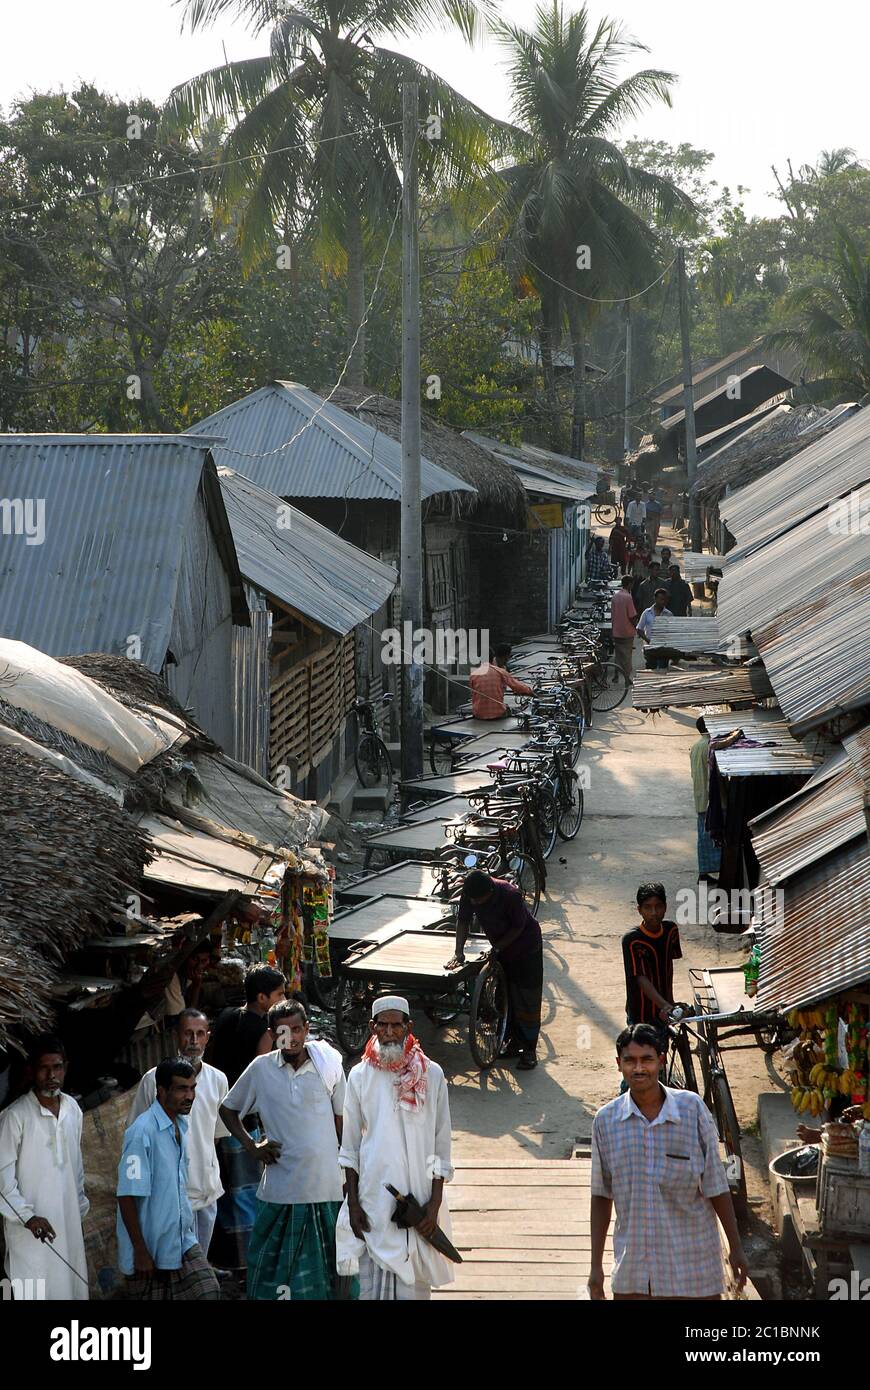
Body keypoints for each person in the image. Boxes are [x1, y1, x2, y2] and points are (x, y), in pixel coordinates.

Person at [588, 1023, 748, 1300]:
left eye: (647, 1060)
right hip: (634, 1271)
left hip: (693, 1270)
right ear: (619, 1064)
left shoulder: (692, 1109)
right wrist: (595, 1268)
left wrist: (735, 1247)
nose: (639, 1069)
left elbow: (715, 1183)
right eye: (630, 1061)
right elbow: (601, 1195)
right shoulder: (606, 1121)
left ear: (661, 1061)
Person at [220, 1001, 351, 1301]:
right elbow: (228, 1110)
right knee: (273, 1270)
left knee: (329, 1275)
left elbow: (342, 1121)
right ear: (271, 1033)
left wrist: (351, 1175)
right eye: (282, 1031)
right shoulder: (261, 1069)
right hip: (281, 1189)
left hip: (325, 1186)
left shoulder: (328, 1067)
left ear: (307, 1029)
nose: (290, 1037)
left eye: (296, 1029)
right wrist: (252, 1146)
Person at [336, 996, 454, 1300]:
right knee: (372, 1280)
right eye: (383, 1025)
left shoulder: (432, 1074)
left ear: (408, 1027)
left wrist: (434, 1203)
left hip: (420, 1196)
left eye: (396, 1025)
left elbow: (442, 1143)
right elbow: (350, 1144)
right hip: (374, 1194)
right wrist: (352, 1203)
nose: (389, 1032)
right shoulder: (360, 1076)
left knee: (414, 1283)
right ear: (372, 1027)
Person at [127, 1009, 228, 1259]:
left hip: (205, 1188)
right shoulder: (153, 1080)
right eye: (188, 1034)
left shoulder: (218, 1080)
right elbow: (137, 1139)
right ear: (176, 1036)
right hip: (165, 1195)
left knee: (197, 1262)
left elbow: (214, 1137)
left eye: (199, 1034)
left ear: (207, 1037)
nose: (193, 1040)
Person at [116, 1057, 220, 1300]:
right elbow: (127, 1197)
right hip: (150, 1246)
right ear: (161, 1091)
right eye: (182, 1089)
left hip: (181, 1239)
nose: (190, 1096)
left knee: (208, 1290)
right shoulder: (142, 1133)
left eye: (193, 1088)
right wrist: (140, 1251)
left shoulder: (180, 1126)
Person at [207, 964, 286, 1269]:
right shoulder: (265, 1031)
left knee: (227, 1188)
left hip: (218, 1115)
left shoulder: (227, 1017)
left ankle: (230, 1257)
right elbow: (266, 1074)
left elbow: (213, 1060)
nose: (283, 999)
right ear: (263, 997)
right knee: (245, 1191)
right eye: (279, 994)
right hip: (244, 1120)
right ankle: (248, 1262)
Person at [0, 1035, 89, 1300]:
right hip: (30, 1231)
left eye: (57, 1067)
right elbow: (2, 1181)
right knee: (35, 1291)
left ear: (66, 1068)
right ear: (32, 1070)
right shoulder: (14, 1117)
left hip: (68, 1224)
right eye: (44, 1068)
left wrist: (79, 1208)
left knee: (71, 1288)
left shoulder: (73, 1110)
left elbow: (77, 1169)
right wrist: (27, 1217)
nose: (52, 1075)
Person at [446, 870, 543, 1069]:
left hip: (526, 947)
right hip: (502, 948)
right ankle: (512, 1043)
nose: (477, 905)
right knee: (504, 997)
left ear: (491, 891)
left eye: (481, 901)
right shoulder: (470, 894)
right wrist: (458, 952)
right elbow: (463, 920)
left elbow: (519, 926)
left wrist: (497, 948)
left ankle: (530, 1051)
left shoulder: (510, 894)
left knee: (526, 998)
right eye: (474, 901)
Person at [621, 883, 682, 1042]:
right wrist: (665, 1005)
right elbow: (640, 978)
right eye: (648, 907)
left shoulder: (671, 931)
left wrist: (670, 1001)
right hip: (640, 1011)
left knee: (662, 1055)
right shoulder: (632, 940)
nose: (654, 913)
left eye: (658, 906)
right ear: (639, 910)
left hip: (663, 1009)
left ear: (665, 907)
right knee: (645, 1058)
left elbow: (668, 968)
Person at [691, 718, 721, 881]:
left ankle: (704, 871)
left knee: (703, 837)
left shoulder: (695, 747)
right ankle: (713, 870)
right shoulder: (712, 746)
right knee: (715, 835)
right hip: (713, 799)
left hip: (700, 796)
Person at [469, 644, 533, 720]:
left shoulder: (473, 674)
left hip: (478, 715)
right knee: (513, 710)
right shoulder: (500, 671)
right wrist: (530, 692)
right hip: (497, 714)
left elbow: (473, 695)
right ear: (493, 657)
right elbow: (517, 686)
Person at [162, 938, 213, 1024]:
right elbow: (187, 1020)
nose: (199, 965)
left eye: (204, 961)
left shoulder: (189, 975)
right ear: (185, 957)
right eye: (195, 959)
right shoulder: (172, 977)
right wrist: (196, 986)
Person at [636, 588, 673, 670]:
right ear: (655, 599)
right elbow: (639, 629)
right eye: (661, 599)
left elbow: (672, 632)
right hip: (650, 649)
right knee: (651, 671)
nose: (663, 602)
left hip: (663, 649)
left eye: (665, 599)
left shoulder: (669, 614)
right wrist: (648, 640)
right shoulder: (646, 613)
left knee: (663, 671)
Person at [610, 574, 637, 686]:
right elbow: (631, 615)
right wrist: (636, 625)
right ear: (629, 584)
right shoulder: (628, 597)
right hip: (627, 631)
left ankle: (616, 675)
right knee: (627, 657)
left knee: (619, 654)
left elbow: (612, 615)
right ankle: (627, 678)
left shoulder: (615, 597)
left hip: (616, 630)